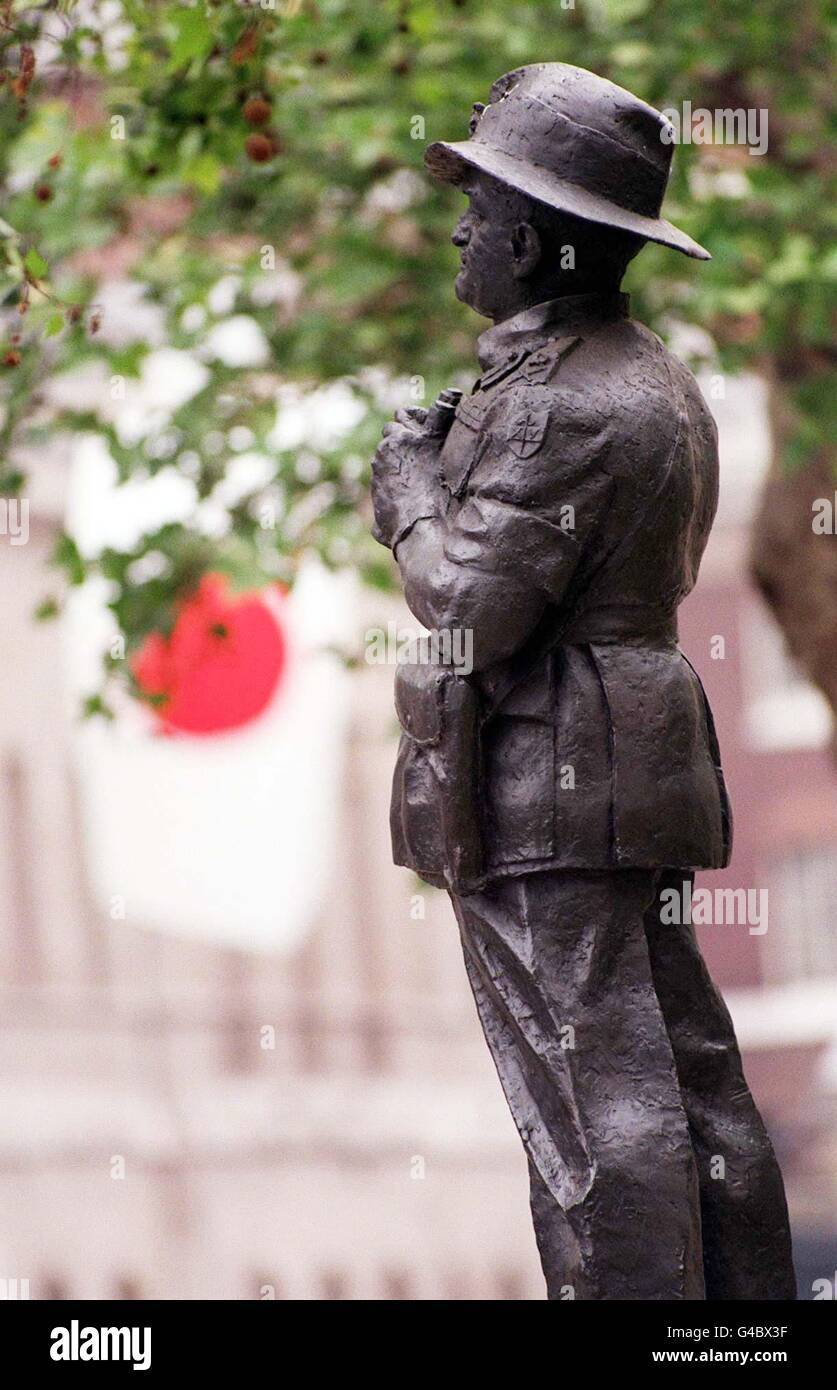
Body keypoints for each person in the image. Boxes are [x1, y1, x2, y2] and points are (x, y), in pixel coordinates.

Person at [371, 63, 795, 1300]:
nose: (460, 229)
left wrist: (405, 503)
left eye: (480, 205)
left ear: (531, 237)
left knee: (588, 1084)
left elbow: (468, 608)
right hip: (623, 759)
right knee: (681, 1065)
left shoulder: (564, 404)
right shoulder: (652, 377)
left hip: (556, 772)